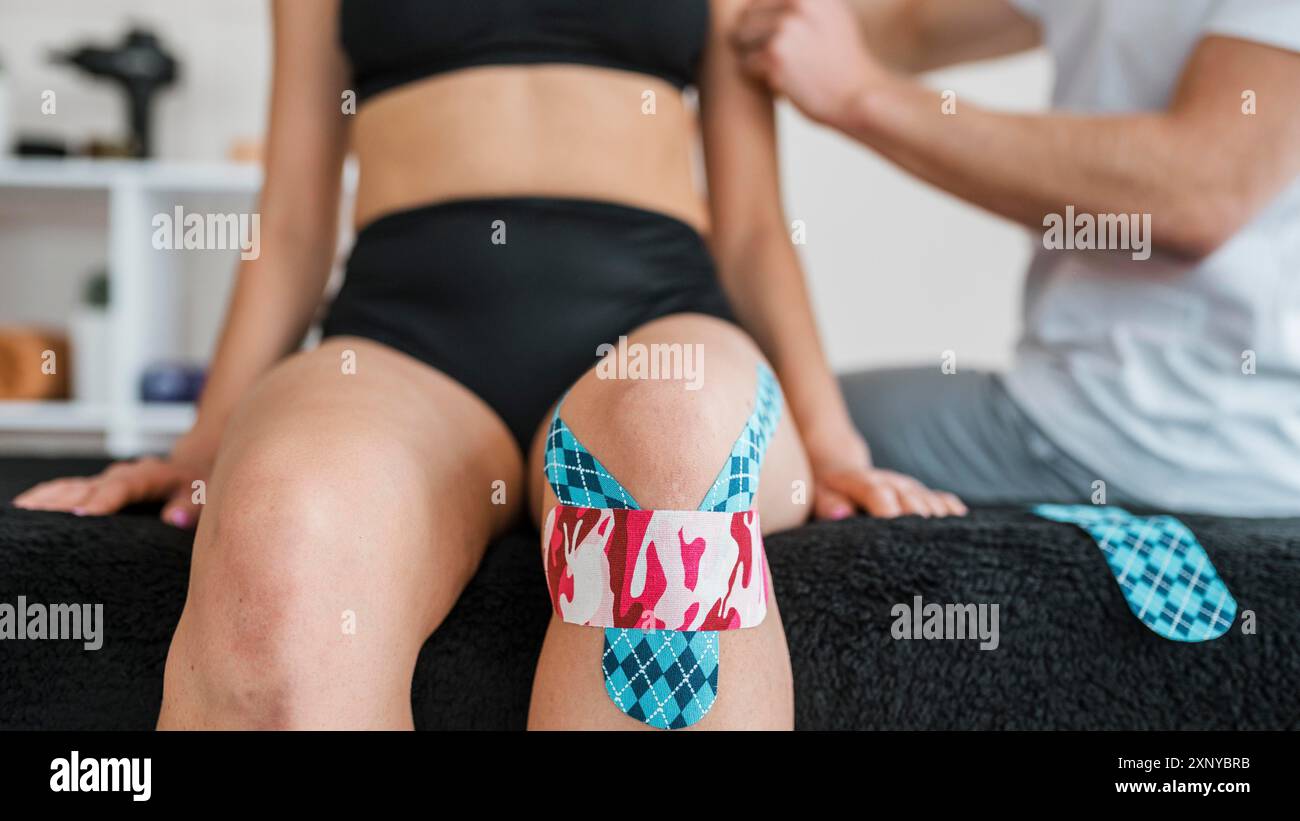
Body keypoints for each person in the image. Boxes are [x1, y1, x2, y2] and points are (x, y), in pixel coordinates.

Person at [13, 0, 963, 730]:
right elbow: (297, 217)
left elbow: (754, 223)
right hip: (402, 346)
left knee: (676, 484)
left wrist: (833, 433)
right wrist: (206, 440)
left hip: (654, 323)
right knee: (283, 532)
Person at [734, 0, 1300, 516]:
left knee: (736, 451)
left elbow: (1197, 193)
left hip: (1190, 439)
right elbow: (912, 26)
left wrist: (860, 95)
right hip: (1080, 398)